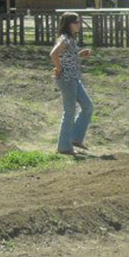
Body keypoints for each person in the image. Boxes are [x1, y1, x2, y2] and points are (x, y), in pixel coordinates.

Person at [50, 12, 93, 155]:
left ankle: (75, 138)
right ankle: (64, 147)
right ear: (68, 24)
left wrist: (79, 54)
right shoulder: (65, 39)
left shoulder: (69, 39)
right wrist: (59, 68)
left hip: (74, 79)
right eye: (76, 22)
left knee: (87, 106)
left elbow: (66, 56)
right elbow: (53, 54)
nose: (79, 25)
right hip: (67, 80)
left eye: (79, 22)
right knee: (69, 112)